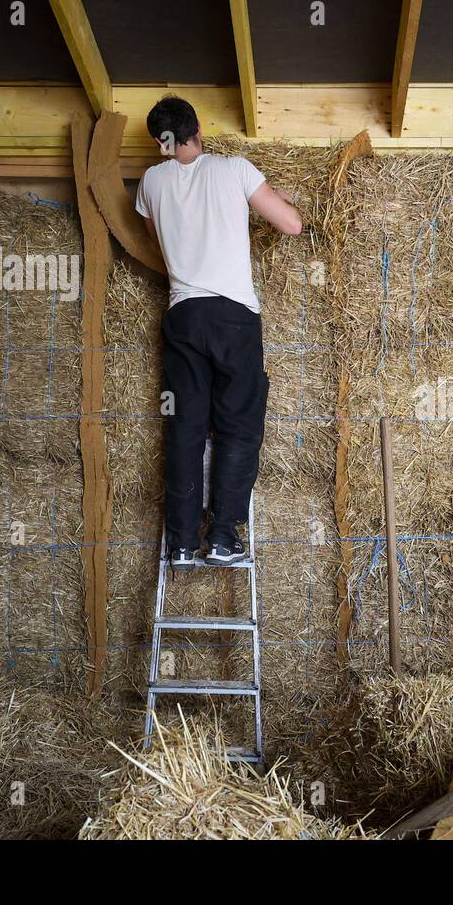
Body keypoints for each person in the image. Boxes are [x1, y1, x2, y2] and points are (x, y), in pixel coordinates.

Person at [134, 95, 302, 567]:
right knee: (239, 424)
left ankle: (183, 543)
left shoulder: (151, 182)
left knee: (185, 428)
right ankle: (224, 537)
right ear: (199, 130)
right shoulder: (233, 169)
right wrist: (277, 200)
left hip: (184, 316)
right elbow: (291, 224)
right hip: (233, 316)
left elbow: (158, 242)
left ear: (161, 142)